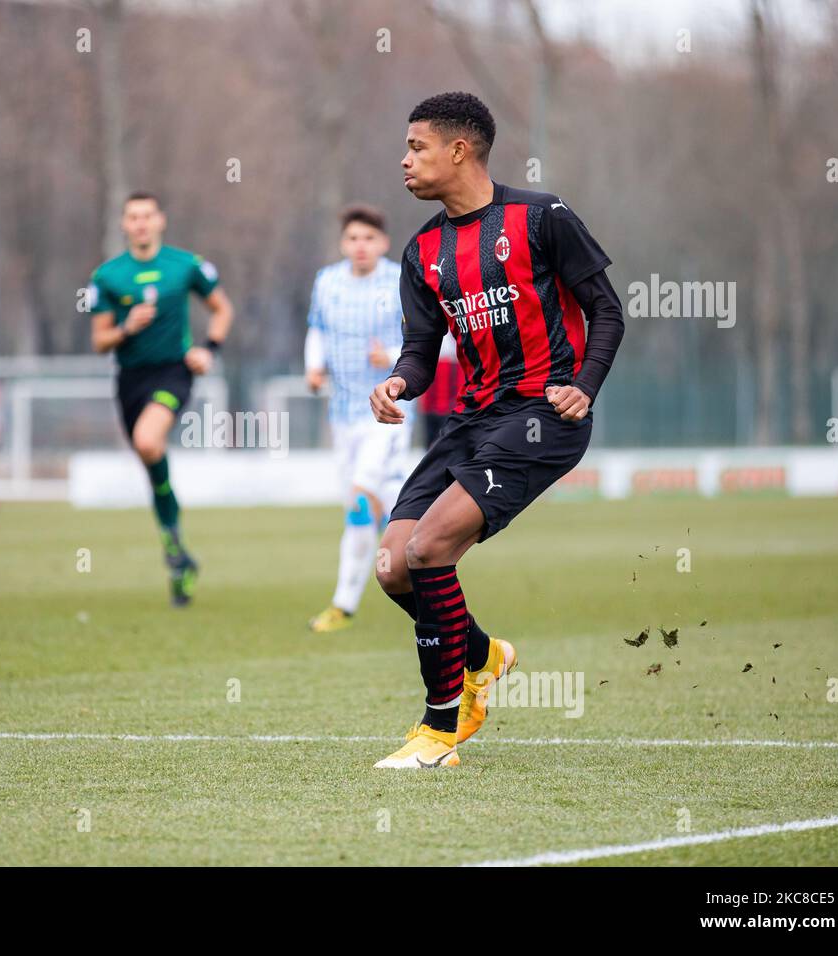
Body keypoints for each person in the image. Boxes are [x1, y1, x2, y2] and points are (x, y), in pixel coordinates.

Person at [370, 92, 625, 769]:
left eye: (416, 146)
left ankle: (438, 731)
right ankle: (483, 659)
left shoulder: (542, 218)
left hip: (542, 417)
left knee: (429, 550)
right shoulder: (422, 249)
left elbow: (608, 311)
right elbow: (422, 350)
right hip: (470, 421)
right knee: (393, 566)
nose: (404, 160)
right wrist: (399, 380)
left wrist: (584, 386)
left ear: (459, 149)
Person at [87, 191, 235, 606]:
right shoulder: (107, 276)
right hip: (130, 378)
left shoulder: (185, 265)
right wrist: (126, 327)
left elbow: (222, 309)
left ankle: (173, 543)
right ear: (124, 225)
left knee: (148, 442)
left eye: (147, 216)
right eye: (132, 217)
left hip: (174, 372)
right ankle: (176, 550)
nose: (140, 224)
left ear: (160, 221)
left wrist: (209, 348)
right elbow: (100, 341)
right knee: (150, 460)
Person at [304, 204, 412, 633]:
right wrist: (313, 367)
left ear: (382, 243)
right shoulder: (327, 282)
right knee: (383, 504)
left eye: (369, 238)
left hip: (386, 414)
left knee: (361, 503)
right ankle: (418, 571)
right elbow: (317, 329)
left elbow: (434, 340)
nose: (360, 246)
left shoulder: (400, 281)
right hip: (343, 413)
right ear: (343, 243)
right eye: (352, 239)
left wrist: (389, 356)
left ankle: (343, 604)